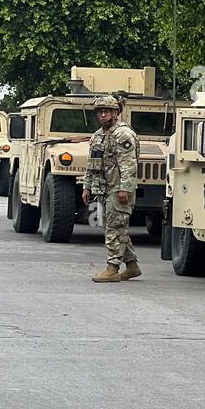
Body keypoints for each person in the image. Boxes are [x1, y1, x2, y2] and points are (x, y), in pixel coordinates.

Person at [82, 93, 141, 283]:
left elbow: (128, 164)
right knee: (114, 227)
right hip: (104, 188)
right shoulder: (98, 135)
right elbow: (92, 164)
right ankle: (131, 266)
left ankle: (112, 268)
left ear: (116, 112)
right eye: (100, 111)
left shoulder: (122, 134)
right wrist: (87, 186)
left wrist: (125, 189)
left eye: (107, 111)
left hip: (118, 189)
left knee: (114, 228)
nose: (103, 115)